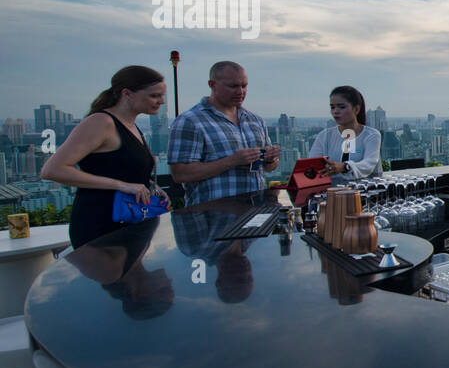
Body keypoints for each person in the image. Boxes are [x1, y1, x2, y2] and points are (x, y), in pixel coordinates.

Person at [41, 65, 170, 249]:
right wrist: (122, 185)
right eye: (154, 95)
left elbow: (120, 167)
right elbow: (51, 170)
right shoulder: (101, 122)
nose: (161, 101)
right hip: (101, 222)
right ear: (127, 93)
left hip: (129, 220)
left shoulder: (132, 125)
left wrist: (150, 187)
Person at [168, 61, 281, 206]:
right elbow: (180, 174)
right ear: (212, 85)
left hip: (255, 212)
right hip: (212, 217)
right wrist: (233, 160)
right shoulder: (190, 121)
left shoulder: (255, 121)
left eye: (244, 86)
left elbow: (268, 168)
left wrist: (271, 159)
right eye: (233, 86)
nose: (240, 91)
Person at [309, 86, 382, 183]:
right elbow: (312, 165)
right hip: (332, 193)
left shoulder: (371, 135)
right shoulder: (324, 136)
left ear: (356, 109)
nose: (335, 111)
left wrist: (345, 167)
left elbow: (369, 164)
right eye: (332, 107)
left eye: (341, 107)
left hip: (365, 192)